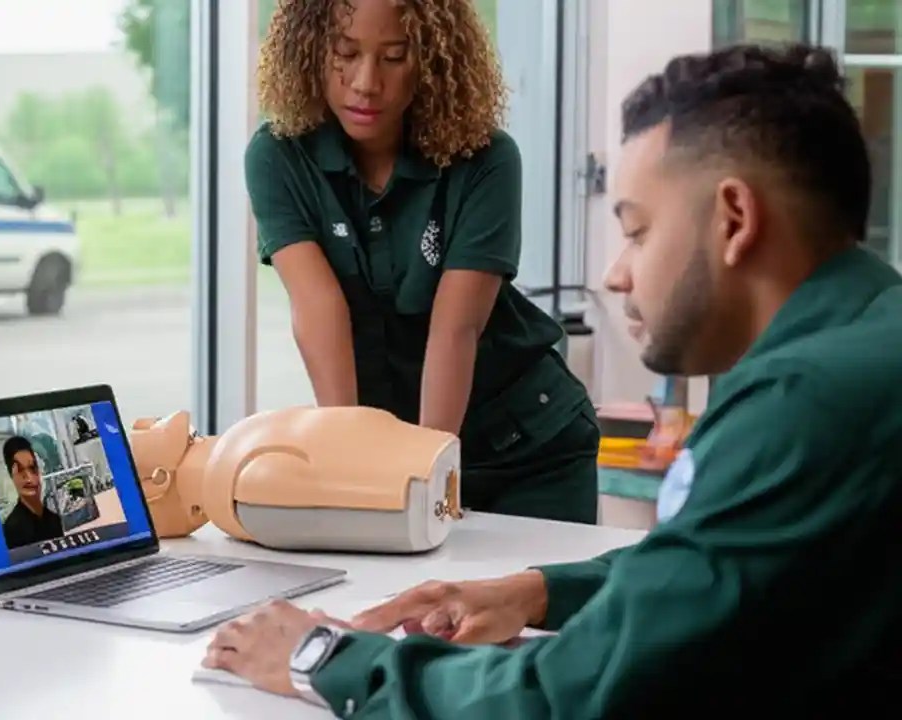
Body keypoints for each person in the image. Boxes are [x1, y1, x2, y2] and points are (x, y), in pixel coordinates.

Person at [203, 43, 902, 717]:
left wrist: (323, 658)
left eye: (636, 230)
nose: (615, 273)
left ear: (735, 219)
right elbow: (708, 567)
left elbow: (573, 697)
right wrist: (537, 593)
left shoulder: (799, 406)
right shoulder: (871, 343)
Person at [247, 0, 598, 524]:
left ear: (431, 58)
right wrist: (349, 469)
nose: (366, 82)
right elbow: (320, 312)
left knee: (525, 605)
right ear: (310, 49)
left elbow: (456, 329)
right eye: (345, 53)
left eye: (394, 56)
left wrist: (431, 481)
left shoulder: (487, 159)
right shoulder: (279, 156)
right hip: (398, 455)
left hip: (531, 452)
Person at [0, 436, 65, 548]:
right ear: (11, 475)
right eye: (20, 471)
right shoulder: (11, 530)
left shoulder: (54, 520)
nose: (29, 479)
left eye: (32, 468)